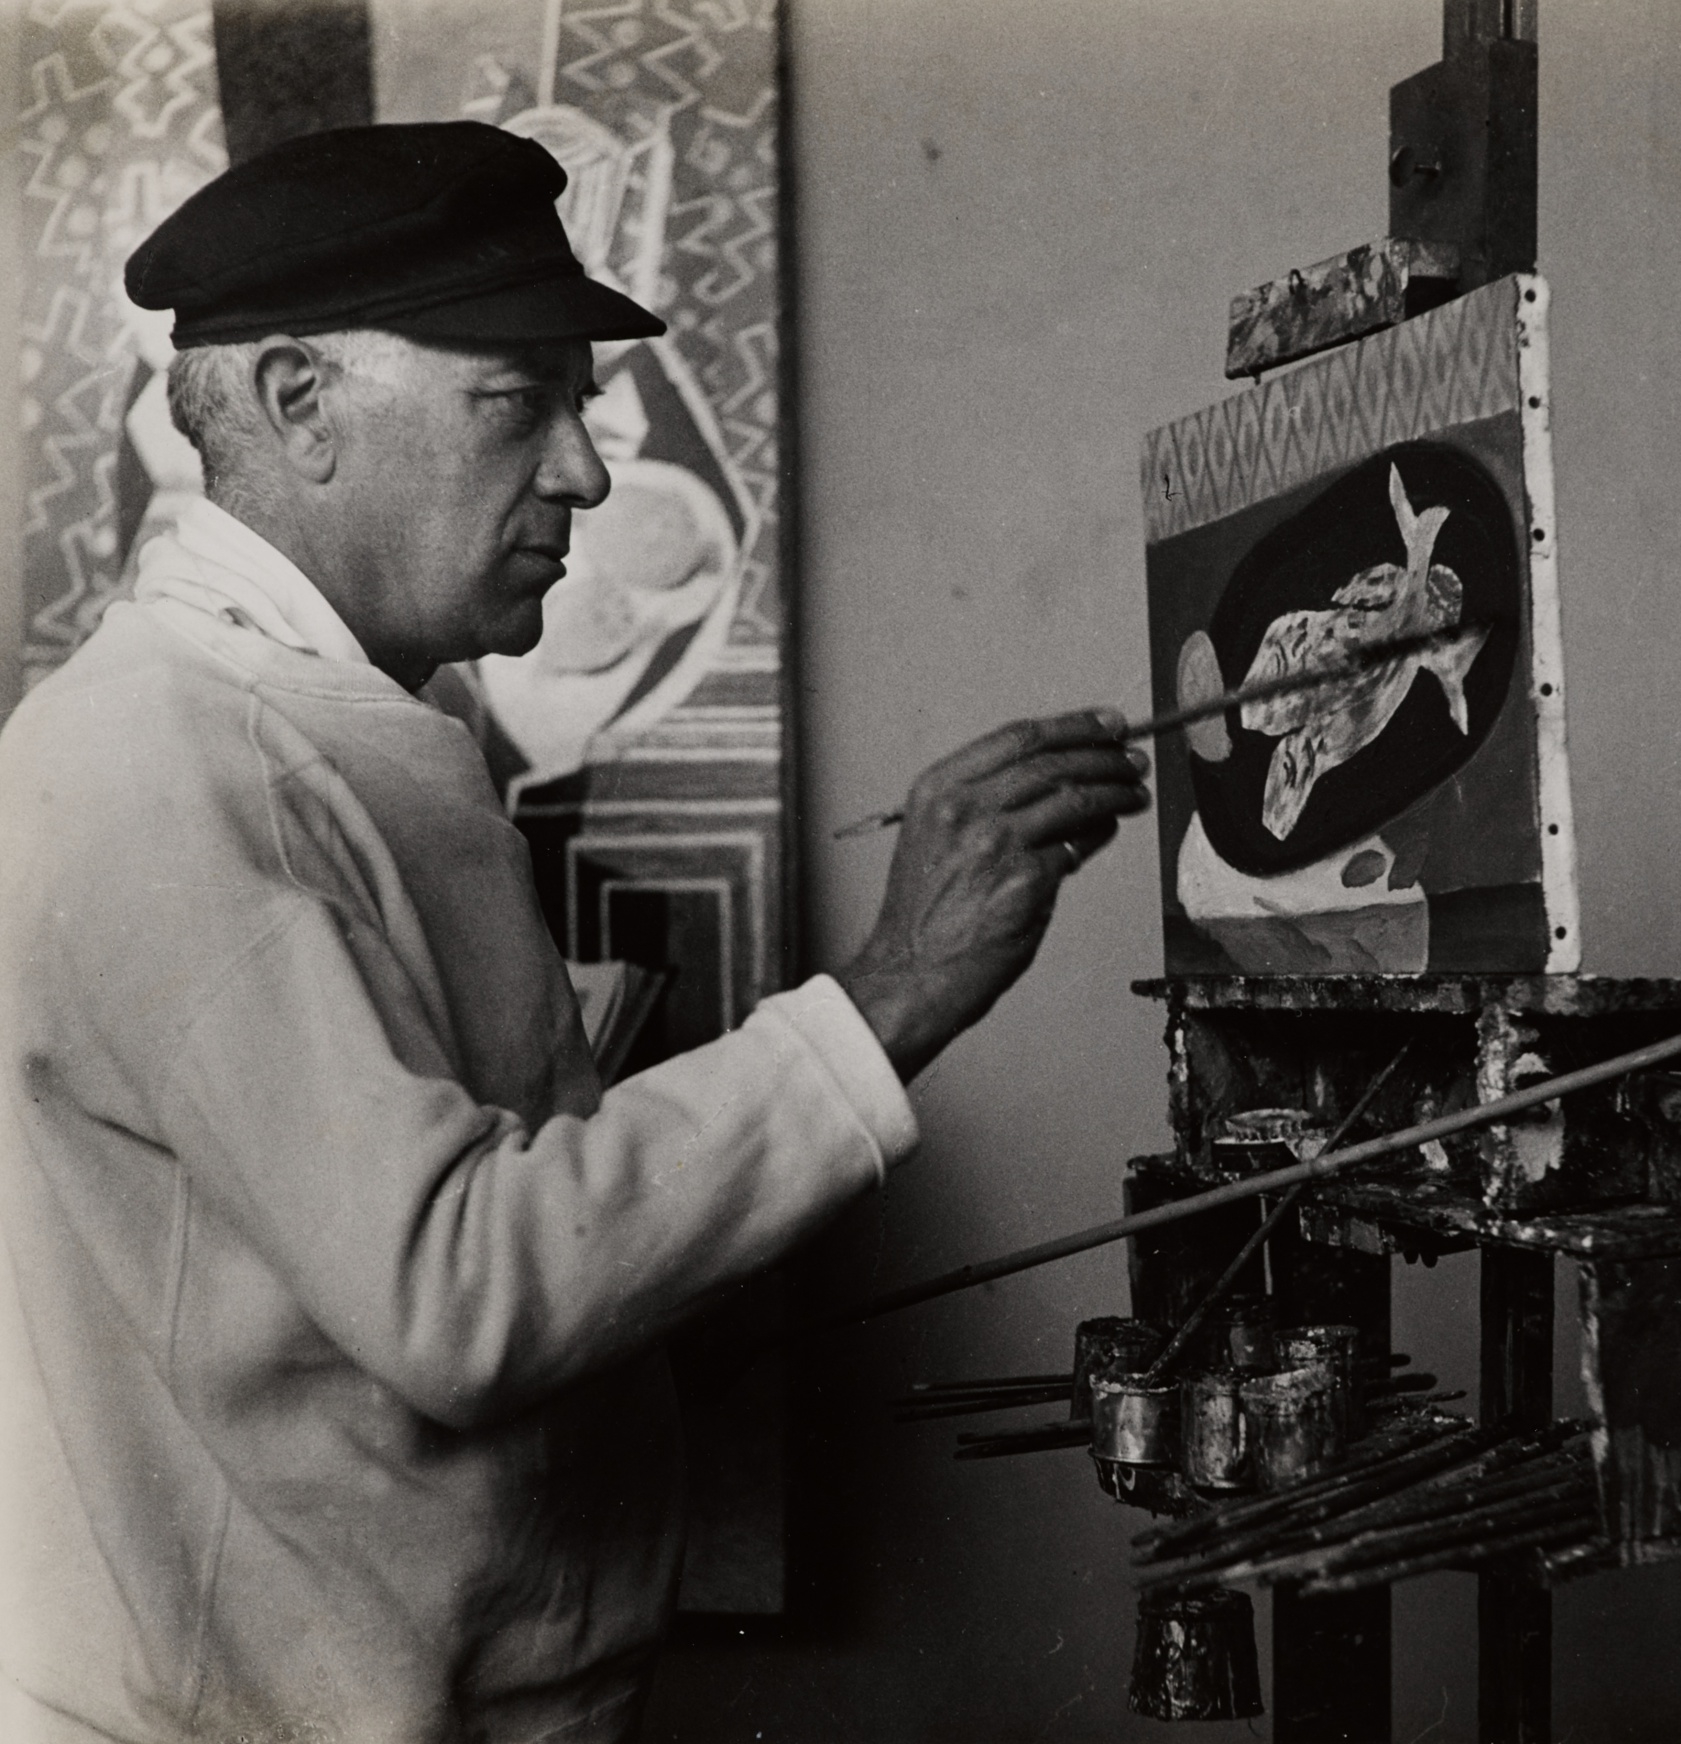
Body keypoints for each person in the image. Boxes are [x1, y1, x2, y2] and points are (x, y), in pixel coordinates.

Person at [0, 122, 1149, 1742]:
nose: (588, 471)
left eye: (578, 403)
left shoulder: (309, 726)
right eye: (516, 403)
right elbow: (458, 1292)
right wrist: (886, 996)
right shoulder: (169, 771)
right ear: (295, 403)